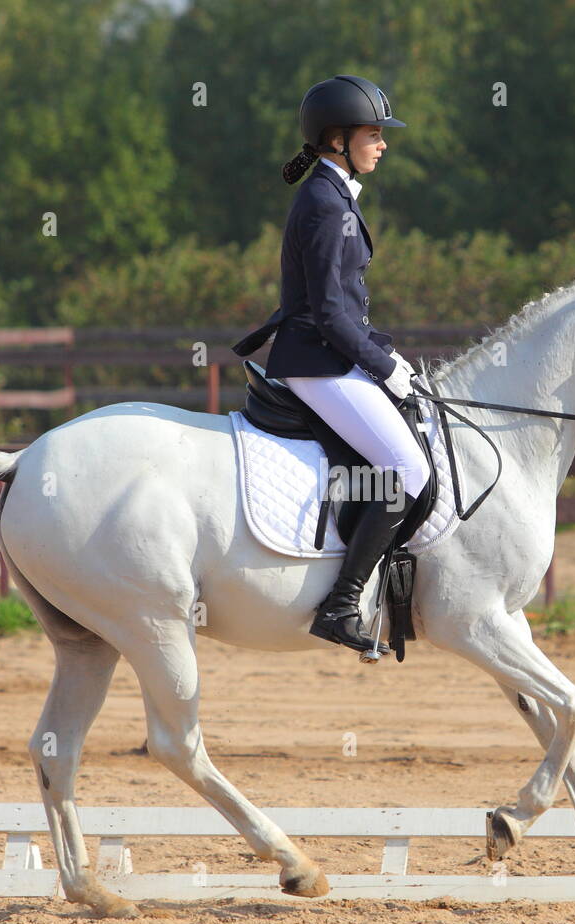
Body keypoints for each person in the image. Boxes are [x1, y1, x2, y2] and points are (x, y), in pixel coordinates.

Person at [232, 74, 431, 655]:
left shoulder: (334, 194)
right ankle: (341, 605)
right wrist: (381, 366)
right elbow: (326, 314)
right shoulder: (324, 202)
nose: (384, 143)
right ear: (337, 139)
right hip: (317, 363)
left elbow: (346, 304)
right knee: (406, 471)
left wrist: (388, 353)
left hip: (330, 356)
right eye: (374, 133)